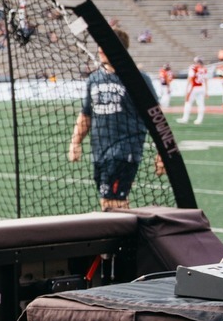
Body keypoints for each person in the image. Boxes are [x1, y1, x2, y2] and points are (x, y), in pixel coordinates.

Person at [68, 51, 166, 212]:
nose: (100, 52)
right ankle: (134, 237)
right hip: (100, 151)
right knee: (118, 204)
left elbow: (156, 115)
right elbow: (86, 114)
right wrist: (75, 142)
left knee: (110, 205)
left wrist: (162, 152)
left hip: (125, 150)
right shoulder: (94, 79)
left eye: (104, 48)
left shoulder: (137, 78)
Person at [182, 56, 208, 124]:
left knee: (188, 102)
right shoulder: (204, 69)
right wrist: (206, 91)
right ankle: (199, 120)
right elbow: (205, 80)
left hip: (194, 87)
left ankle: (185, 118)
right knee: (201, 104)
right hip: (201, 87)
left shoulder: (193, 68)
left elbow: (190, 78)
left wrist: (187, 88)